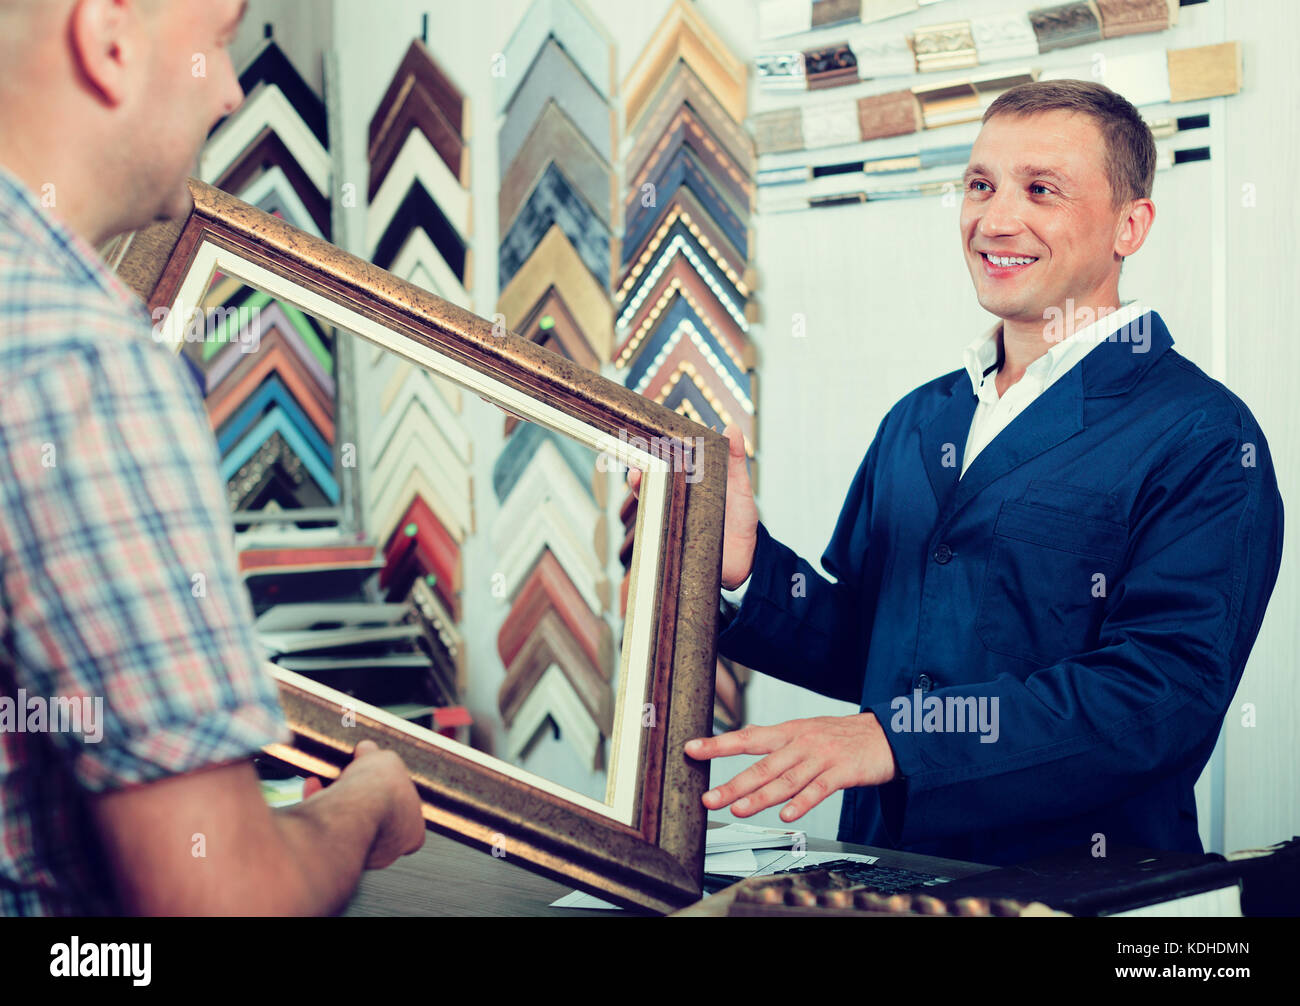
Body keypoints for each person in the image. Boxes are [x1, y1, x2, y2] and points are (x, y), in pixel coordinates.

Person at [631, 79, 1285, 867]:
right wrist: (745, 565)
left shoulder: (1204, 436)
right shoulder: (921, 419)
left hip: (1077, 888)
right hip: (882, 871)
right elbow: (866, 646)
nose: (995, 219)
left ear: (1130, 225)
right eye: (980, 185)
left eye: (1041, 189)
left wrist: (899, 740)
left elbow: (1159, 699)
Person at [0, 0, 424, 915]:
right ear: (109, 39)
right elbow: (223, 900)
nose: (231, 94)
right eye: (220, 40)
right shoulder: (85, 364)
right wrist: (365, 805)